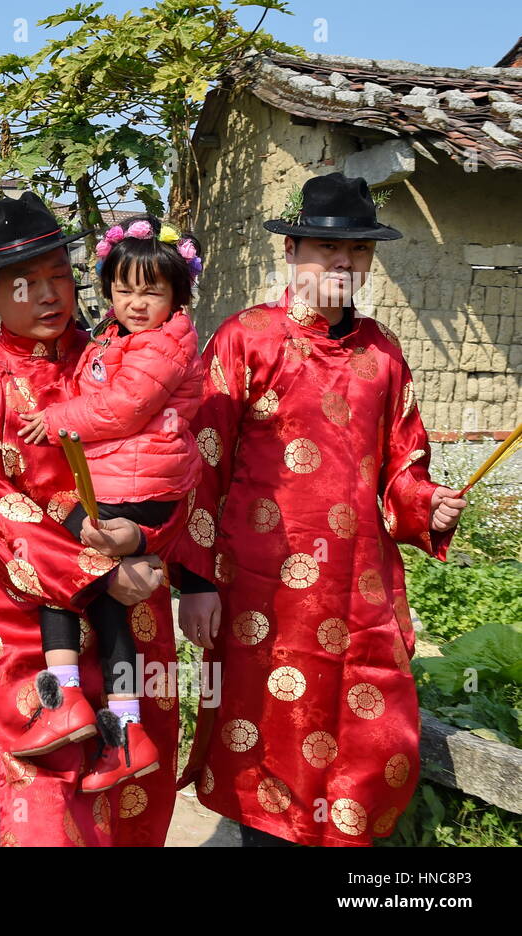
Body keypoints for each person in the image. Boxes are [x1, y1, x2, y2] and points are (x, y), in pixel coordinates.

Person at [175, 172, 467, 847]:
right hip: (261, 595)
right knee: (266, 744)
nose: (344, 263)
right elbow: (203, 465)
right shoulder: (246, 339)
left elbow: (404, 467)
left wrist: (428, 506)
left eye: (358, 251)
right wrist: (195, 583)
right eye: (327, 249)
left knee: (363, 742)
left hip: (360, 592)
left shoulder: (383, 356)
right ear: (293, 253)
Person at [0, 192, 188, 846]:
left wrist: (145, 536)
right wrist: (98, 571)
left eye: (56, 277)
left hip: (132, 608)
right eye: (24, 283)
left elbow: (182, 462)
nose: (47, 295)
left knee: (132, 803)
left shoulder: (124, 362)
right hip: (20, 622)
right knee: (42, 810)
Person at [10, 215, 206, 794]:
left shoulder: (164, 344)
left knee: (61, 577)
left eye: (152, 291)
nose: (136, 302)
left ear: (177, 293)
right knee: (110, 606)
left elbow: (121, 409)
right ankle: (125, 727)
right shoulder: (121, 337)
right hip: (127, 480)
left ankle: (65, 695)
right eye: (124, 290)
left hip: (137, 487)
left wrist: (54, 420)